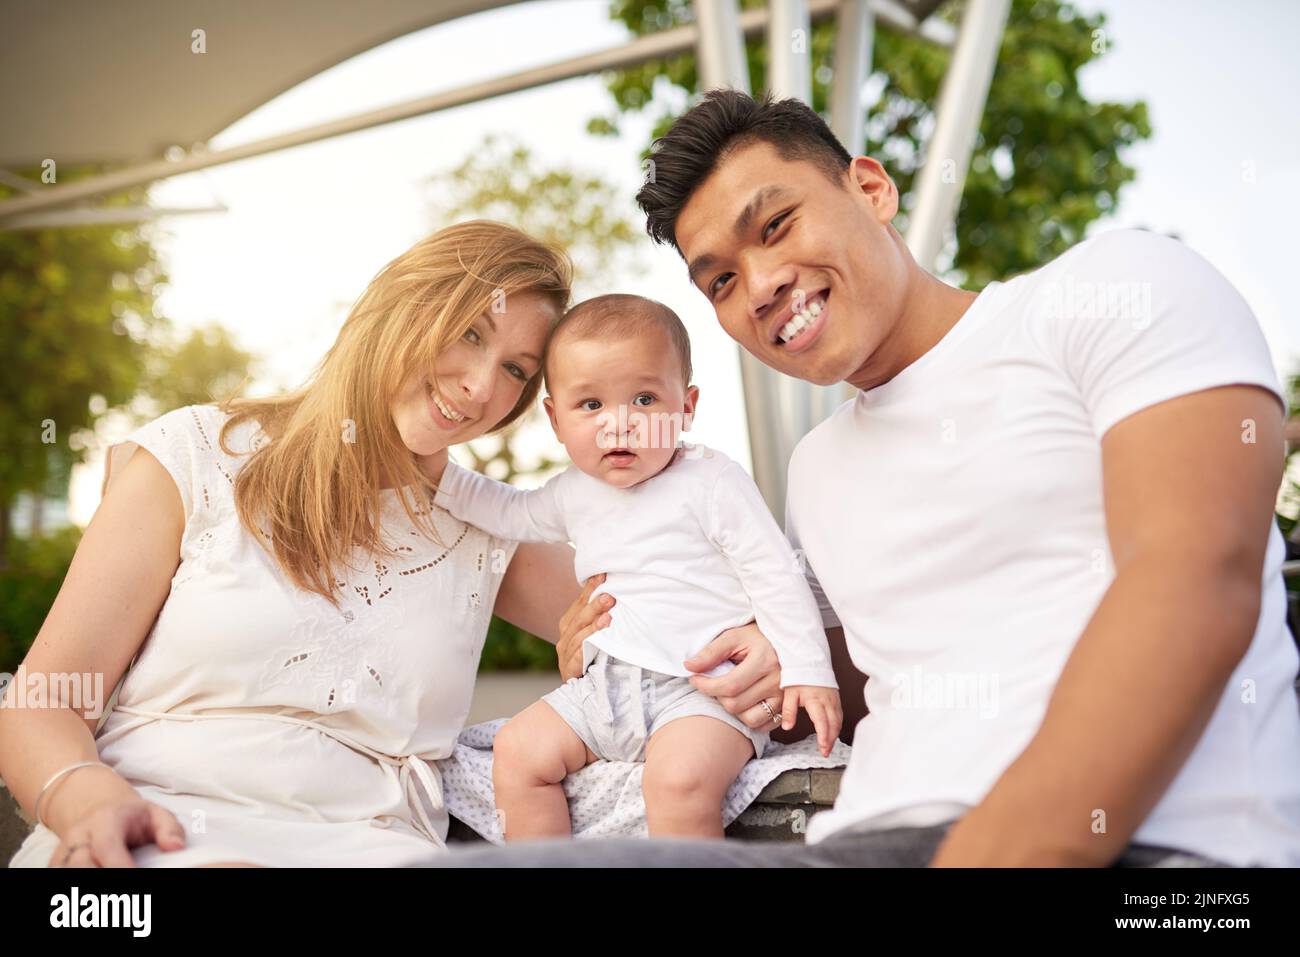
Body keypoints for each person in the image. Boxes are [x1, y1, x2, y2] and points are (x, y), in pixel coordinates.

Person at [421, 91, 1300, 868]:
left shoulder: (1112, 291)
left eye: (776, 226)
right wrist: (702, 642)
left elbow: (1195, 580)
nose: (759, 285)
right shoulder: (817, 467)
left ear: (871, 190)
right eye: (721, 280)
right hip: (862, 839)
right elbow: (840, 690)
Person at [0, 220, 792, 867]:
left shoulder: (487, 527)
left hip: (370, 850)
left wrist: (764, 639)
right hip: (147, 833)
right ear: (400, 304)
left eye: (516, 369)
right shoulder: (197, 455)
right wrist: (84, 797)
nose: (482, 387)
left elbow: (698, 603)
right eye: (470, 331)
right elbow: (40, 702)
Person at [433, 293, 841, 839]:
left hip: (701, 688)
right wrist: (433, 477)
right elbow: (507, 511)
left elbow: (775, 576)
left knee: (678, 781)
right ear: (555, 418)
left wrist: (809, 670)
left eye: (644, 399)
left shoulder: (709, 481)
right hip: (603, 687)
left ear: (686, 406)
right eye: (591, 405)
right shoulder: (572, 493)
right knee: (519, 752)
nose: (619, 425)